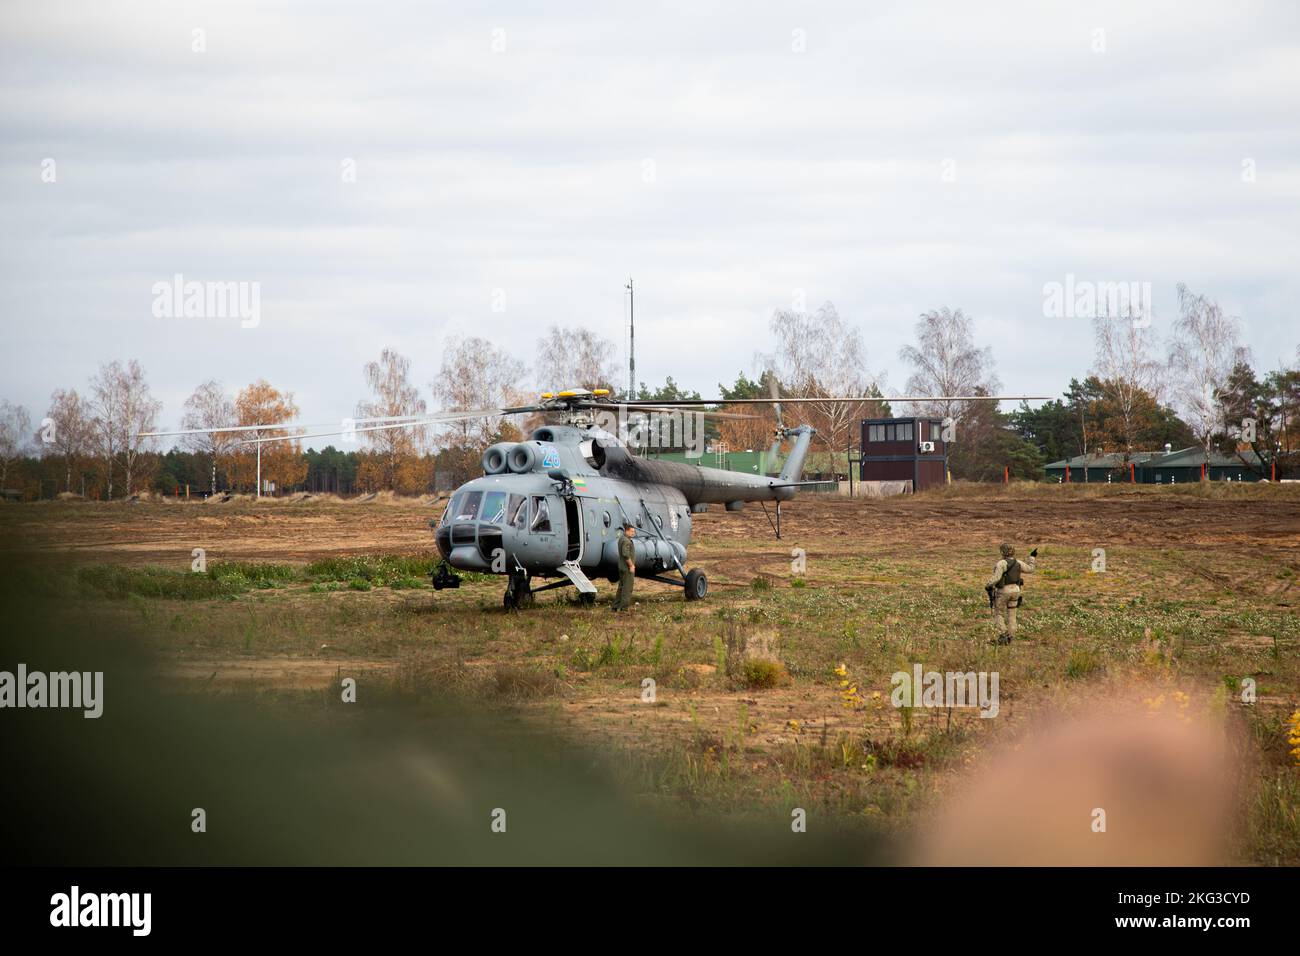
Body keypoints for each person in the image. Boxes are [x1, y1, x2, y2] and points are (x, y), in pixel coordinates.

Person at [986, 543, 1036, 645]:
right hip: (1016, 590)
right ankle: (1010, 636)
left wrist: (988, 585)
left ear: (1003, 552)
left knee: (998, 613)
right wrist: (1032, 557)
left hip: (1004, 591)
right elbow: (1031, 569)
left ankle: (1003, 634)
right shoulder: (1018, 562)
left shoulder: (1001, 563)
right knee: (1012, 615)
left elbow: (996, 578)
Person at [612, 521, 636, 611]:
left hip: (621, 567)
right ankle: (624, 608)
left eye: (634, 532)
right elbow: (626, 554)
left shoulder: (621, 539)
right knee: (627, 588)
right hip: (626, 568)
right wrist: (631, 566)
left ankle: (615, 606)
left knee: (621, 587)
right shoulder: (626, 541)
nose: (633, 533)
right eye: (632, 531)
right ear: (626, 531)